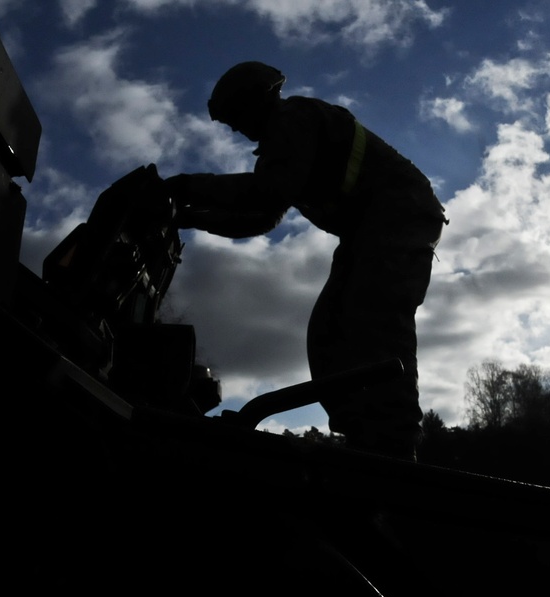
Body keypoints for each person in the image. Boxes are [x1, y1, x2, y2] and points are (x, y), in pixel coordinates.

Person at [166, 61, 447, 460]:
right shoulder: (282, 142)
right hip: (370, 228)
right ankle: (362, 435)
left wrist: (186, 187)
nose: (235, 129)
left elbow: (263, 194)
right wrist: (189, 217)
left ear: (256, 101)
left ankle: (395, 447)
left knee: (374, 322)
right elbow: (264, 216)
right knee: (329, 333)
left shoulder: (294, 118)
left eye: (235, 118)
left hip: (400, 217)